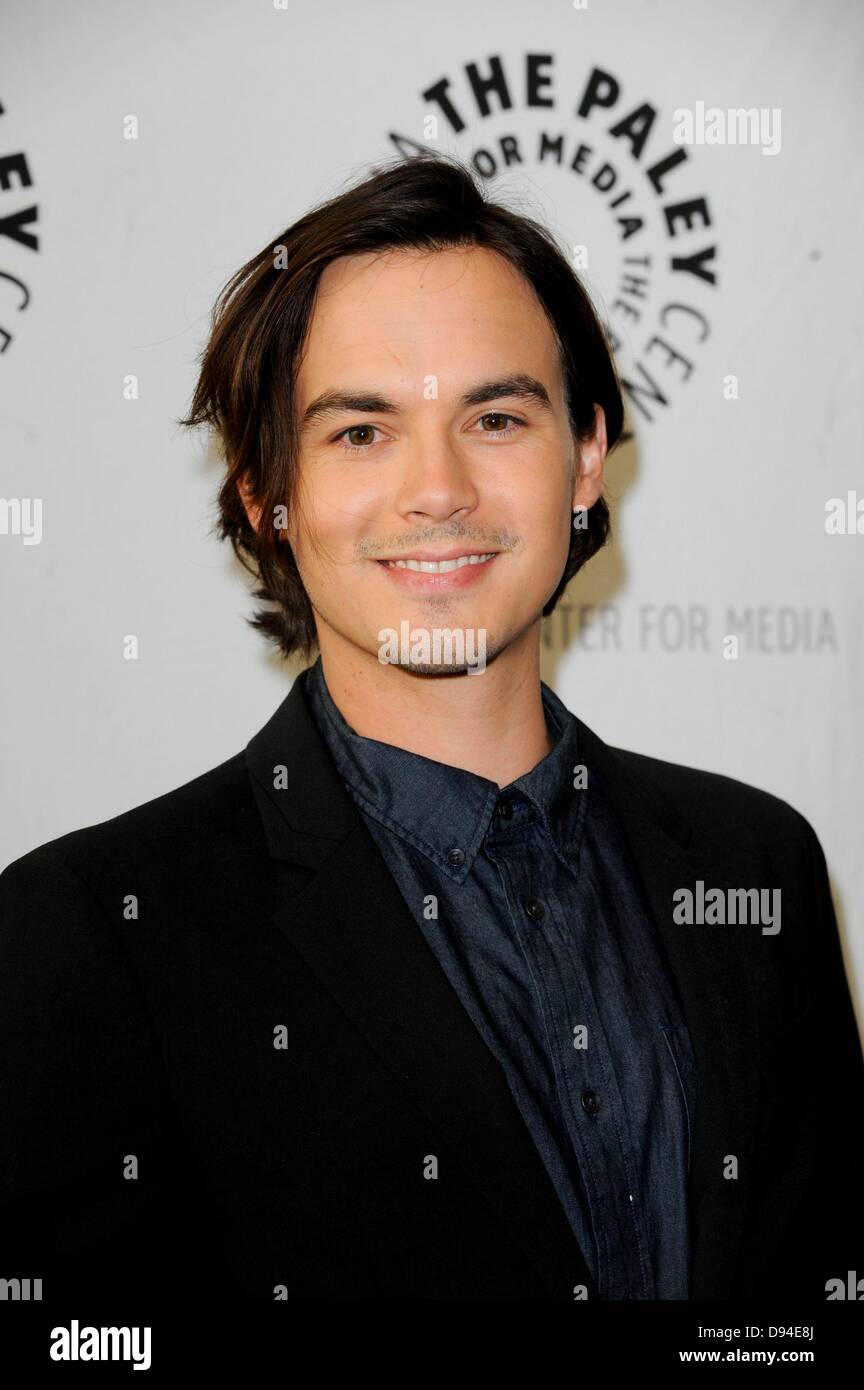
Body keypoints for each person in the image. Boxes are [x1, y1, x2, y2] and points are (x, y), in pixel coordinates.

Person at [1, 154, 860, 1302]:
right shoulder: (95, 928)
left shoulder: (758, 864)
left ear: (586, 456)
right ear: (267, 489)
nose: (439, 488)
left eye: (496, 416)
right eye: (362, 432)